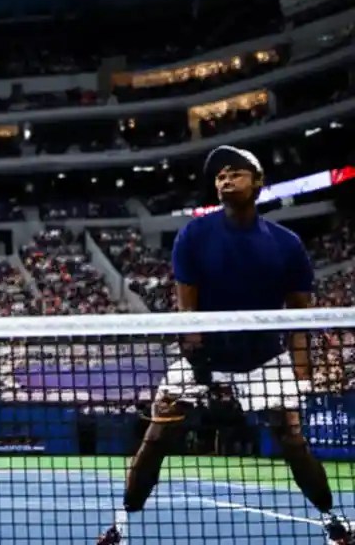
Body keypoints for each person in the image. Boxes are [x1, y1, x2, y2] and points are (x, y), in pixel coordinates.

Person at [98, 146, 351, 544]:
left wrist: (302, 373)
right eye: (220, 176)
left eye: (235, 173)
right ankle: (120, 525)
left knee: (292, 439)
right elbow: (188, 310)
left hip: (265, 358)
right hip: (207, 353)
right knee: (158, 434)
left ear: (258, 182)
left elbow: (300, 318)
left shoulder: (287, 245)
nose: (225, 180)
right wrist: (198, 359)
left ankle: (335, 521)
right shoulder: (193, 236)